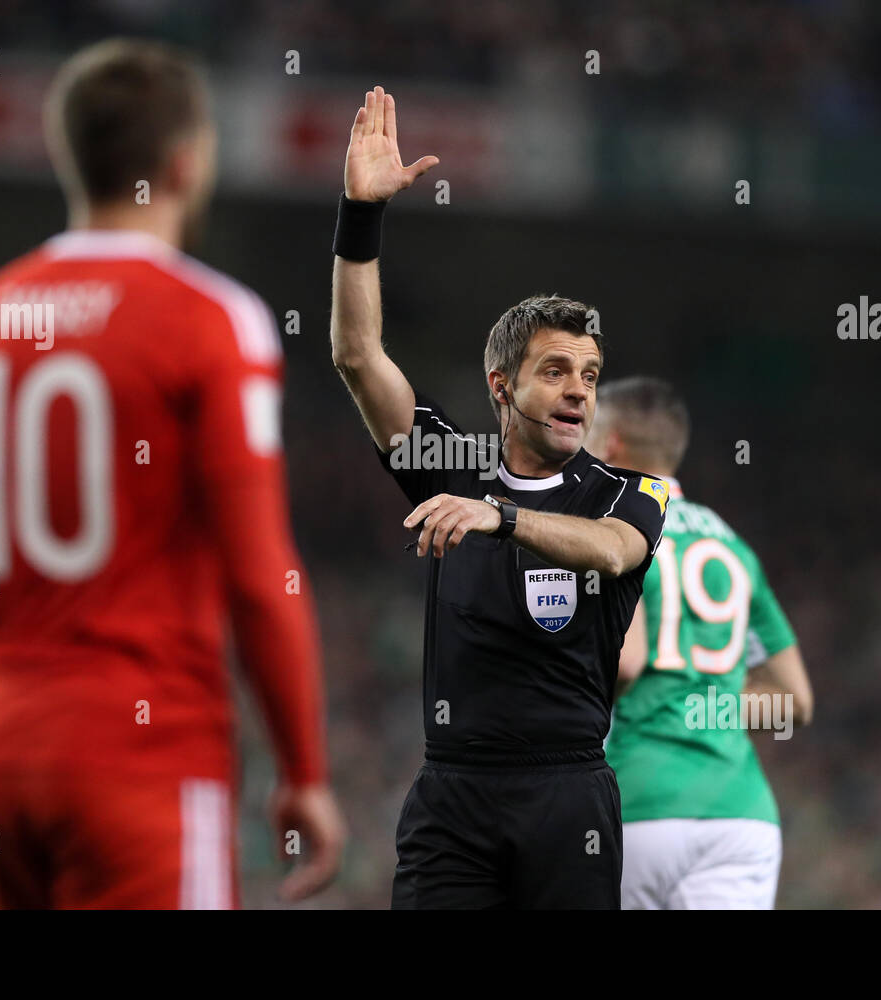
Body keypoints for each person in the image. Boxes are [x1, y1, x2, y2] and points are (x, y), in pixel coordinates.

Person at [0, 39, 344, 909]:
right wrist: (304, 768)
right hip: (139, 754)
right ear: (186, 162)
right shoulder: (213, 321)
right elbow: (262, 574)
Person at [330, 86, 668, 908]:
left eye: (589, 376)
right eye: (555, 371)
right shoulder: (452, 459)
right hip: (455, 792)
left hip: (571, 796)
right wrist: (360, 216)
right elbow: (355, 354)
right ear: (500, 385)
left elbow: (616, 551)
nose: (578, 392)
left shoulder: (633, 492)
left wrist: (504, 517)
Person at [586, 376, 813, 909]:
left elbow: (627, 665)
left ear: (612, 443)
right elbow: (795, 702)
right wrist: (703, 707)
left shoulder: (613, 531)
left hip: (638, 801)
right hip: (741, 814)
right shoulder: (732, 544)